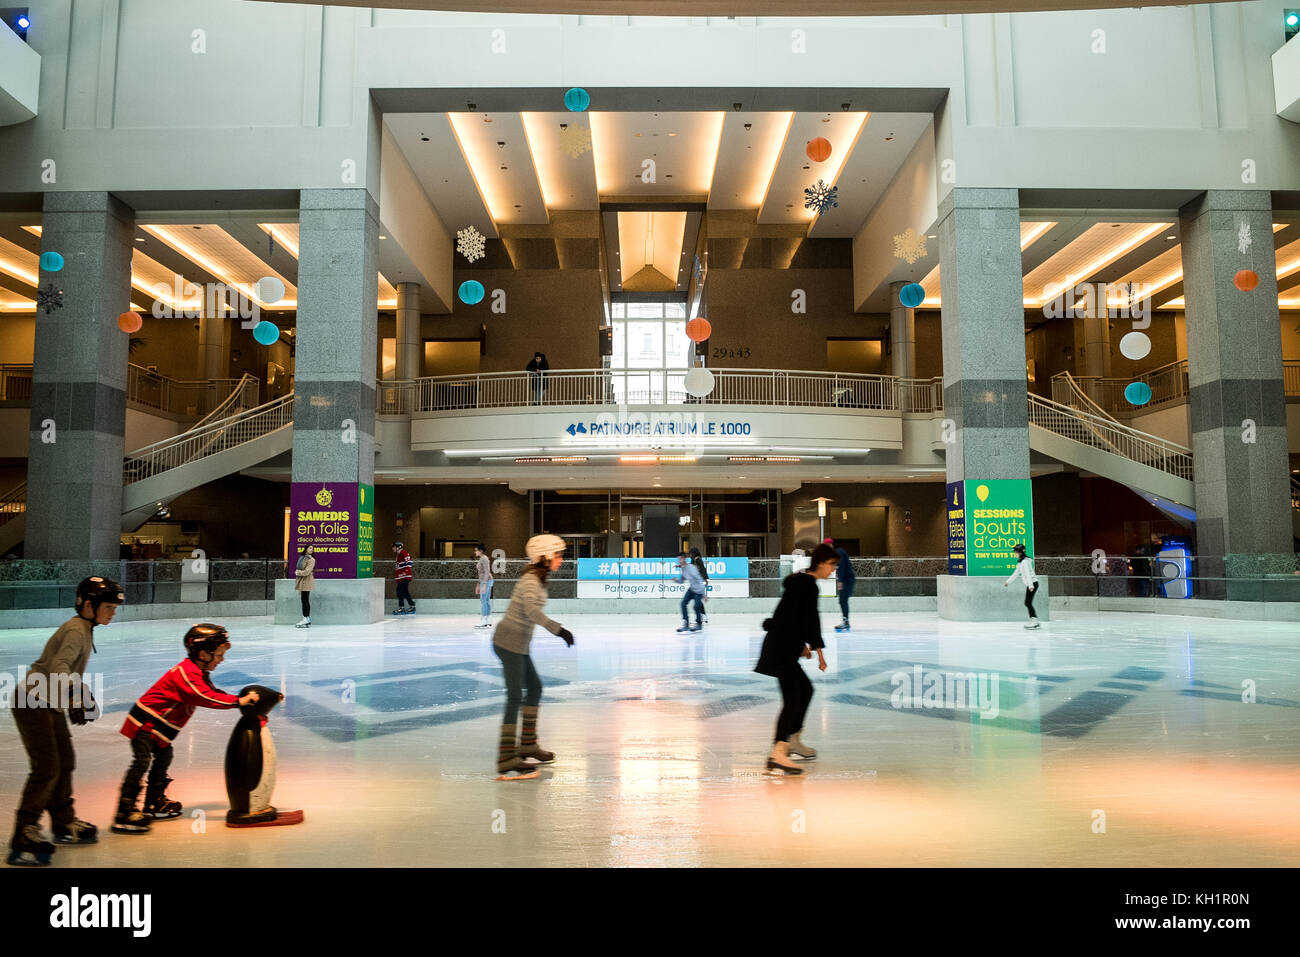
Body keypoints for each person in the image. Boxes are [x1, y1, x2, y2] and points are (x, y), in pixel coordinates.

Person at [7, 577, 122, 867]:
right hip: (32, 701)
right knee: (47, 768)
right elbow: (59, 666)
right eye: (109, 607)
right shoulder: (75, 630)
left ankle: (62, 822)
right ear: (87, 605)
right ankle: (25, 829)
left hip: (47, 701)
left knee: (65, 762)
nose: (113, 612)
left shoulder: (84, 627)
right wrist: (73, 697)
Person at [113, 624, 259, 834]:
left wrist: (236, 700)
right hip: (146, 724)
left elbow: (211, 691)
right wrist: (238, 702)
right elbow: (205, 696)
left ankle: (154, 802)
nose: (221, 660)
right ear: (202, 654)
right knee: (142, 762)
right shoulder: (187, 673)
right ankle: (124, 811)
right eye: (218, 655)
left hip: (157, 726)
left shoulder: (196, 671)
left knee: (164, 757)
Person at [491, 534, 574, 780]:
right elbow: (531, 611)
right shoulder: (530, 580)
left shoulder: (538, 578)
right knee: (515, 695)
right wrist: (558, 630)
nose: (561, 560)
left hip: (519, 644)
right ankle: (506, 757)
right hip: (508, 643)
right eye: (558, 555)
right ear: (545, 556)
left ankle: (527, 744)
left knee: (535, 688)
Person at [755, 543, 833, 775]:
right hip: (780, 650)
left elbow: (791, 619)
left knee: (805, 690)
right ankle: (779, 752)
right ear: (820, 563)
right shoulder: (807, 585)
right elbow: (810, 620)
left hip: (783, 646)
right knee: (793, 698)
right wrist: (818, 652)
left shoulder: (801, 583)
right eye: (831, 565)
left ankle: (793, 740)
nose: (832, 570)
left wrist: (801, 647)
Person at [1004, 543, 1041, 629]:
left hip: (1032, 583)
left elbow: (1028, 574)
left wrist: (1031, 586)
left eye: (1015, 552)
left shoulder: (1024, 562)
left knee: (1027, 602)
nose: (1014, 554)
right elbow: (1016, 573)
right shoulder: (1021, 562)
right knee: (1027, 602)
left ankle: (1034, 621)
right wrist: (1008, 582)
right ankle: (1033, 620)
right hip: (1031, 583)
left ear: (1020, 552)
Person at [826, 537, 856, 632]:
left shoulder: (838, 552)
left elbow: (842, 566)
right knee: (842, 600)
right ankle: (845, 621)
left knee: (843, 600)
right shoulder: (838, 552)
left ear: (831, 545)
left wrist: (840, 581)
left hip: (847, 580)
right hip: (846, 579)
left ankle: (845, 622)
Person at [675, 551, 707, 632]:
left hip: (698, 590)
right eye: (678, 559)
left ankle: (699, 624)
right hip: (691, 589)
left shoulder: (692, 568)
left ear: (684, 559)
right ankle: (686, 623)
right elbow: (682, 581)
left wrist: (704, 594)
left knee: (696, 606)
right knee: (683, 603)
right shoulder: (683, 569)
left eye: (680, 559)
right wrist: (676, 580)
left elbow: (699, 580)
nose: (679, 561)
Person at [294, 544, 315, 628]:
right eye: (309, 548)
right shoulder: (302, 557)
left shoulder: (311, 559)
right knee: (304, 599)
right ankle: (307, 619)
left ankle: (305, 618)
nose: (311, 550)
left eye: (312, 549)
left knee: (305, 599)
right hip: (302, 580)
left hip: (307, 580)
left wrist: (298, 572)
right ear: (306, 549)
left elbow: (307, 571)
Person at [392, 541, 415, 615]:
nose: (393, 548)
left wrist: (405, 572)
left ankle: (402, 607)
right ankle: (412, 606)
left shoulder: (403, 552)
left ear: (399, 547)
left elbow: (409, 561)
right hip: (402, 577)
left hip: (404, 576)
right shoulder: (399, 554)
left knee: (400, 591)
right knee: (405, 592)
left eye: (394, 547)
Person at [474, 543, 493, 629]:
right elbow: (481, 573)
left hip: (486, 581)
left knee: (484, 600)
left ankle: (484, 620)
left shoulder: (484, 559)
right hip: (485, 581)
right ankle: (488, 619)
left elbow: (486, 572)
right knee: (486, 600)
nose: (475, 552)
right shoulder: (483, 558)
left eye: (476, 550)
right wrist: (478, 584)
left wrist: (484, 584)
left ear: (480, 551)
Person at [690, 547, 710, 624]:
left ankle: (702, 616)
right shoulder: (693, 560)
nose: (690, 555)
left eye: (691, 553)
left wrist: (706, 578)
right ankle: (702, 615)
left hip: (700, 582)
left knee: (697, 599)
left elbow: (702, 569)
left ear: (694, 553)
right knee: (697, 599)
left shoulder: (698, 559)